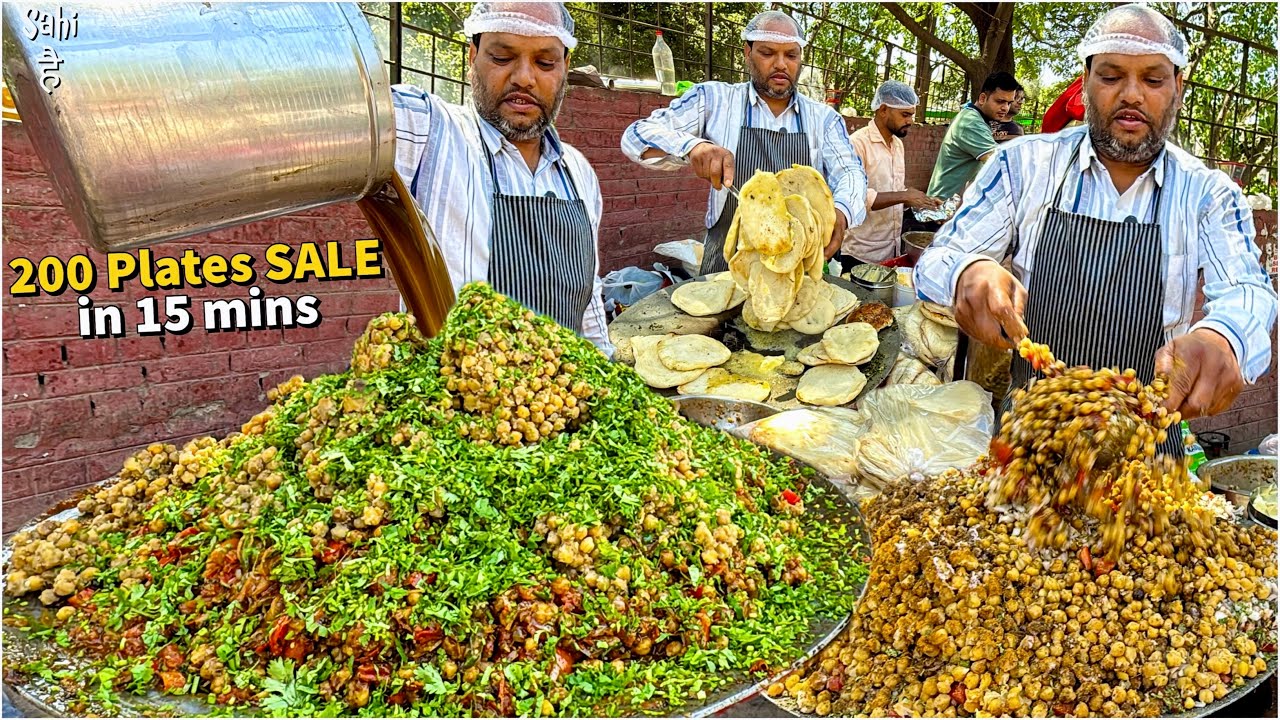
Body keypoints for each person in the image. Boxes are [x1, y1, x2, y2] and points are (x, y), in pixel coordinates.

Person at [914, 4, 1277, 450]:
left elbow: (1250, 292)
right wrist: (966, 272)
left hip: (1144, 451)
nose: (1131, 94)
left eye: (1153, 79)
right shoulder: (1022, 165)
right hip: (1029, 438)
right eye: (1110, 76)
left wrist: (1225, 337)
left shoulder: (1210, 193)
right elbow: (939, 257)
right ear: (1084, 85)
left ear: (1178, 88)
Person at [389, 2, 613, 355]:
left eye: (545, 63)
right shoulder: (432, 132)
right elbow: (351, 111)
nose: (525, 77)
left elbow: (587, 304)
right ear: (473, 55)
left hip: (557, 402)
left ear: (565, 68)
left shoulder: (578, 171)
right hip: (456, 402)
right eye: (502, 57)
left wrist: (607, 369)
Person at [620, 10, 867, 274]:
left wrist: (841, 211)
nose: (781, 64)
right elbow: (636, 135)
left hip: (795, 265)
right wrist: (692, 147)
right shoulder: (713, 99)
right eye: (768, 53)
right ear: (747, 53)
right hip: (725, 263)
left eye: (791, 55)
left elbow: (851, 172)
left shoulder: (824, 119)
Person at [837, 80, 941, 267]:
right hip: (860, 253)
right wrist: (904, 196)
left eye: (912, 115)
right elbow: (856, 198)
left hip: (891, 248)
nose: (910, 121)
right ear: (883, 110)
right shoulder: (857, 144)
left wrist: (922, 202)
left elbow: (895, 191)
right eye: (905, 114)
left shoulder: (897, 145)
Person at [925, 71, 1023, 202]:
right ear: (983, 98)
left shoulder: (973, 116)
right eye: (1000, 101)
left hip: (950, 206)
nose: (1005, 108)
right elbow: (1000, 163)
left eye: (1009, 103)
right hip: (943, 210)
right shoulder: (971, 122)